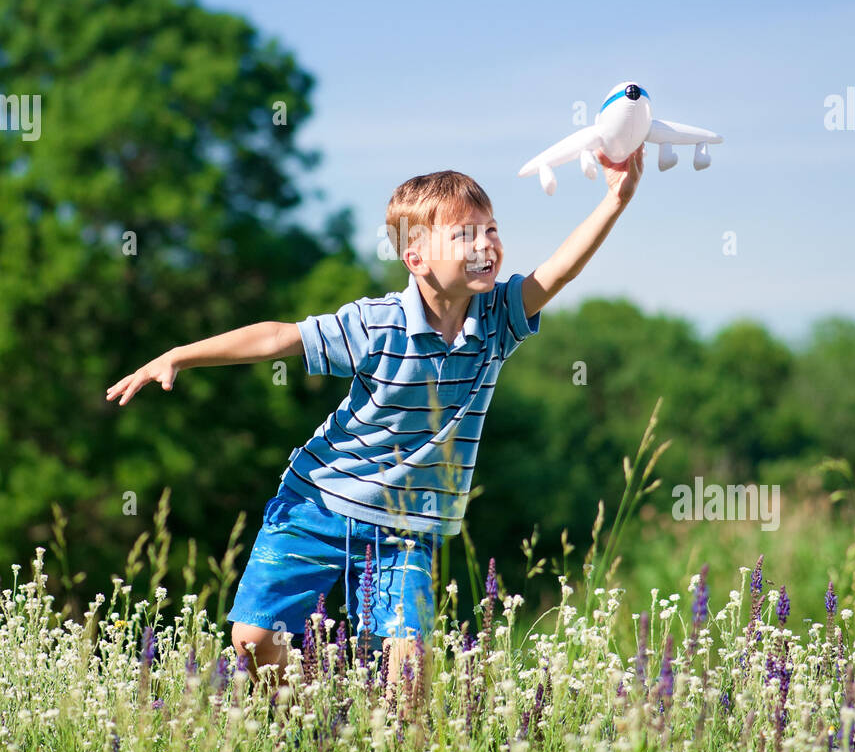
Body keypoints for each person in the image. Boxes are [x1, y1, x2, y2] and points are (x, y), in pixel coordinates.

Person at [106, 148, 644, 696]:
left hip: (407, 529)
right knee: (252, 642)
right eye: (465, 235)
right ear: (416, 258)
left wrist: (615, 197)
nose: (485, 245)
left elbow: (559, 271)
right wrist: (178, 354)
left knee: (409, 667)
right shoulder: (375, 322)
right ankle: (311, 721)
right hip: (318, 502)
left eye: (491, 230)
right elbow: (279, 337)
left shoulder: (499, 318)